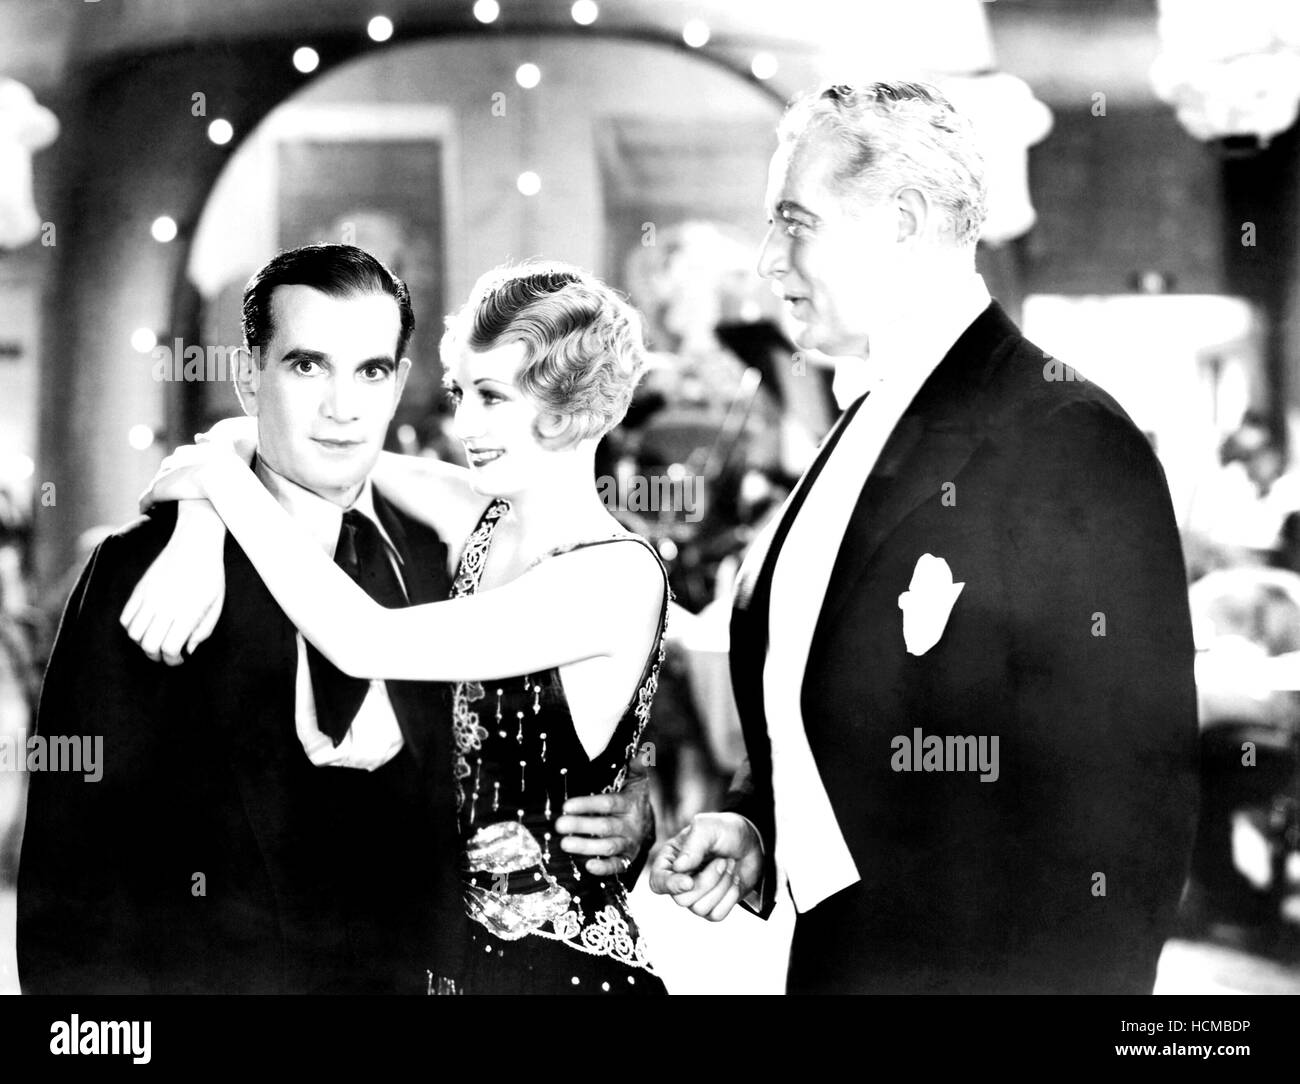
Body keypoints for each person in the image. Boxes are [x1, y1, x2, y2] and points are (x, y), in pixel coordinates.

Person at [648, 81, 1200, 994]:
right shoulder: (863, 415)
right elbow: (842, 687)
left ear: (901, 220)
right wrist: (761, 821)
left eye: (795, 221)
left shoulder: (1064, 435)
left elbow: (1130, 813)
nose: (767, 260)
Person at [17, 244, 648, 994]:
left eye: (372, 372)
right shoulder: (142, 568)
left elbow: (523, 727)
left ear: (398, 384)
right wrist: (202, 505)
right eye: (307, 366)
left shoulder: (441, 555)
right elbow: (70, 889)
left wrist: (623, 812)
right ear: (251, 379)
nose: (343, 408)